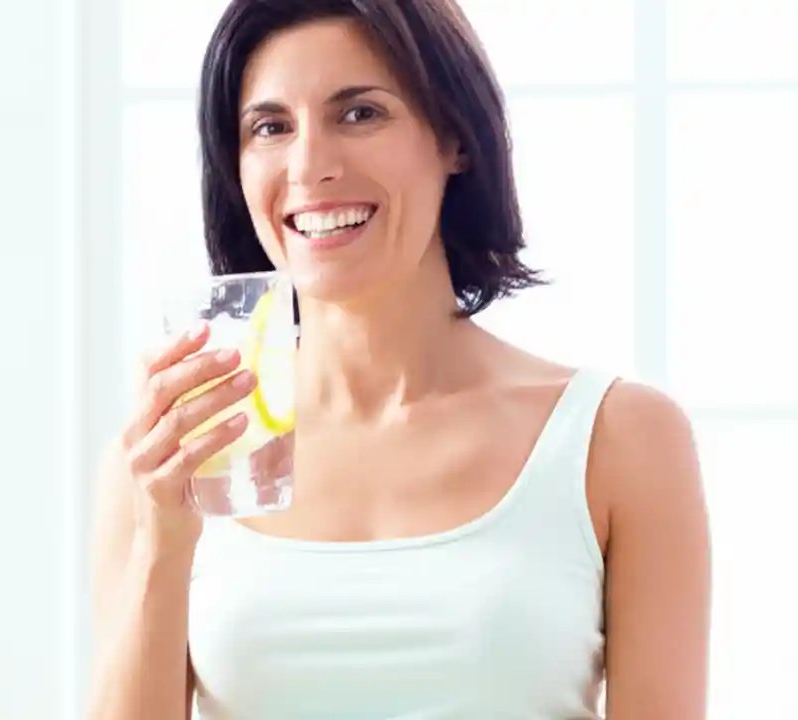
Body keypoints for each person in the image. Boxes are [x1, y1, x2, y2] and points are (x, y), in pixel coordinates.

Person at [87, 0, 711, 718]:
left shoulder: (619, 438)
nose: (310, 165)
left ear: (455, 137)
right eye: (271, 127)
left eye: (360, 114)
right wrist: (162, 545)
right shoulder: (173, 460)